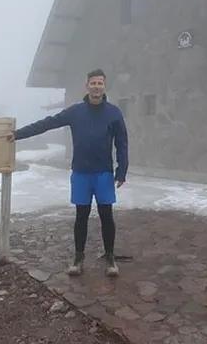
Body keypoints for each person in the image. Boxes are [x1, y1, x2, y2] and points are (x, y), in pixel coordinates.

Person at [9, 69, 128, 276]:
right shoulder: (76, 112)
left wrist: (122, 170)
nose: (96, 86)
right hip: (81, 173)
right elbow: (48, 123)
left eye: (100, 83)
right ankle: (78, 257)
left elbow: (122, 143)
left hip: (103, 174)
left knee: (106, 216)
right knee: (80, 216)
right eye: (93, 83)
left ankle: (110, 258)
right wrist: (18, 134)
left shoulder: (113, 113)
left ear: (104, 86)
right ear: (87, 86)